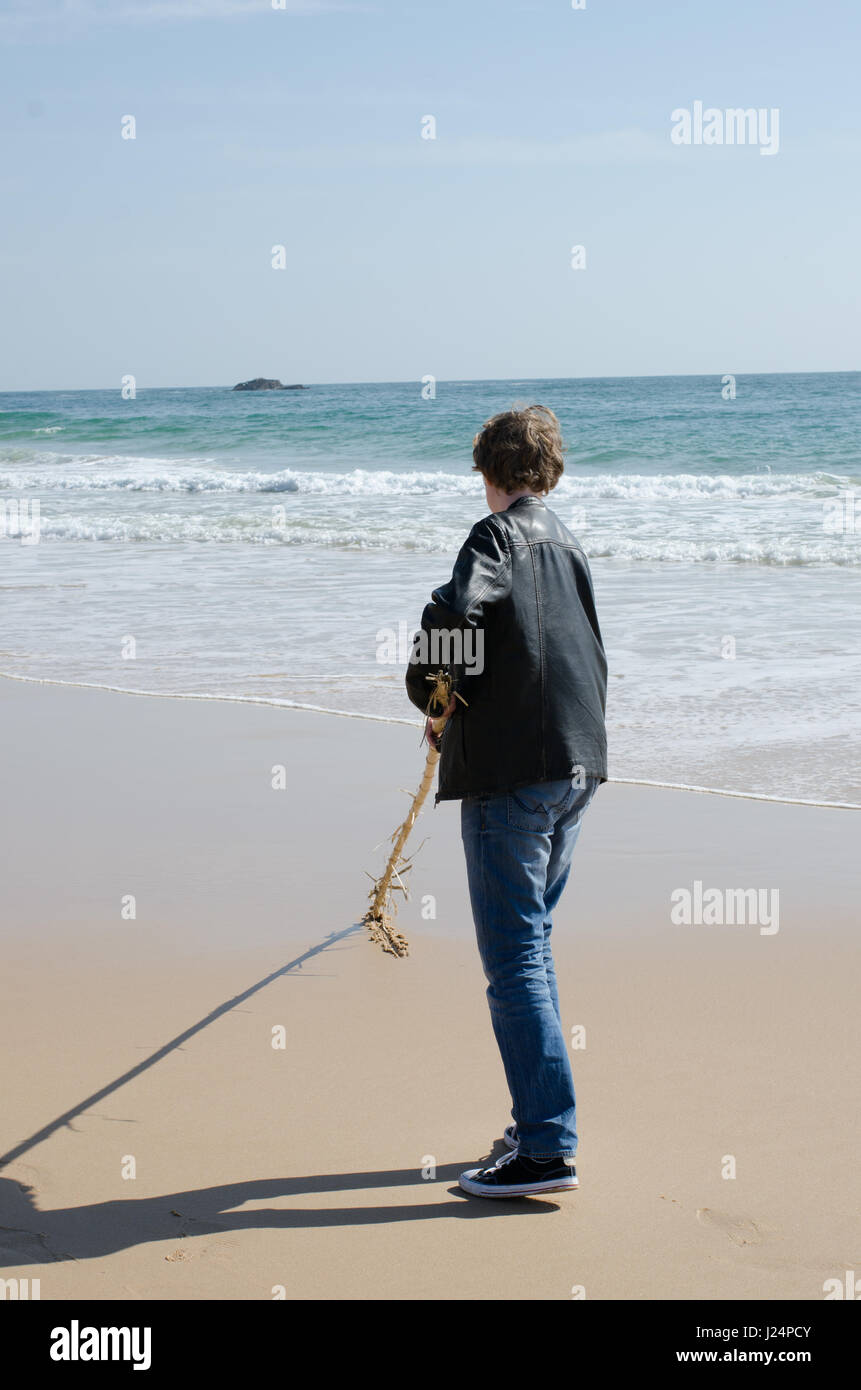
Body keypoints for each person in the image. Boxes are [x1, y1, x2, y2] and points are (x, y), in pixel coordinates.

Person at [405, 404, 608, 1198]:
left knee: (514, 956)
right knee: (533, 943)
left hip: (515, 776)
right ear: (547, 470)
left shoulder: (494, 536)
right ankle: (537, 1124)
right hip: (575, 764)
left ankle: (547, 1149)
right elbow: (574, 649)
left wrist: (433, 695)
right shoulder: (567, 541)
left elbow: (459, 615)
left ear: (486, 469)